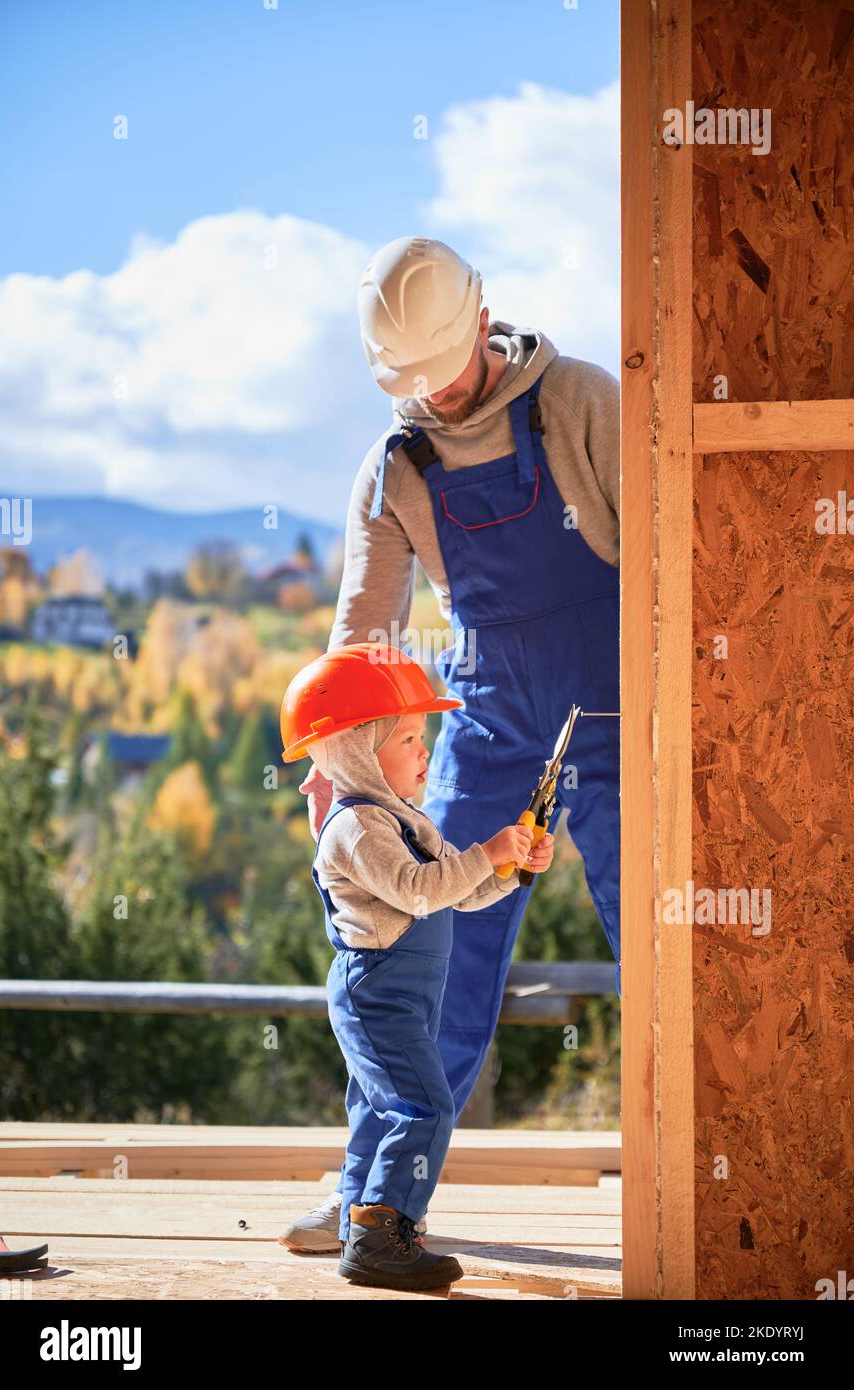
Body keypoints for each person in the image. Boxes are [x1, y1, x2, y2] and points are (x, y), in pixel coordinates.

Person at [289, 234, 620, 1251]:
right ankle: (372, 1201)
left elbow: (670, 545)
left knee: (663, 945)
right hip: (486, 718)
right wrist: (340, 772)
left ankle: (722, 1181)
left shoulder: (577, 401)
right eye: (415, 387)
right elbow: (363, 637)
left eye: (449, 376)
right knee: (425, 942)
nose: (436, 399)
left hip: (616, 700)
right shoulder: (397, 464)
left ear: (485, 321)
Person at [278, 642, 553, 1290]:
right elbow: (421, 891)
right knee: (423, 1107)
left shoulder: (403, 820)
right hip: (377, 996)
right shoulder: (357, 829)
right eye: (407, 737)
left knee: (392, 1109)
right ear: (357, 751)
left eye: (423, 736)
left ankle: (368, 1222)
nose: (424, 751)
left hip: (405, 996)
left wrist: (509, 870)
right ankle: (383, 1236)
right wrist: (486, 851)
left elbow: (458, 887)